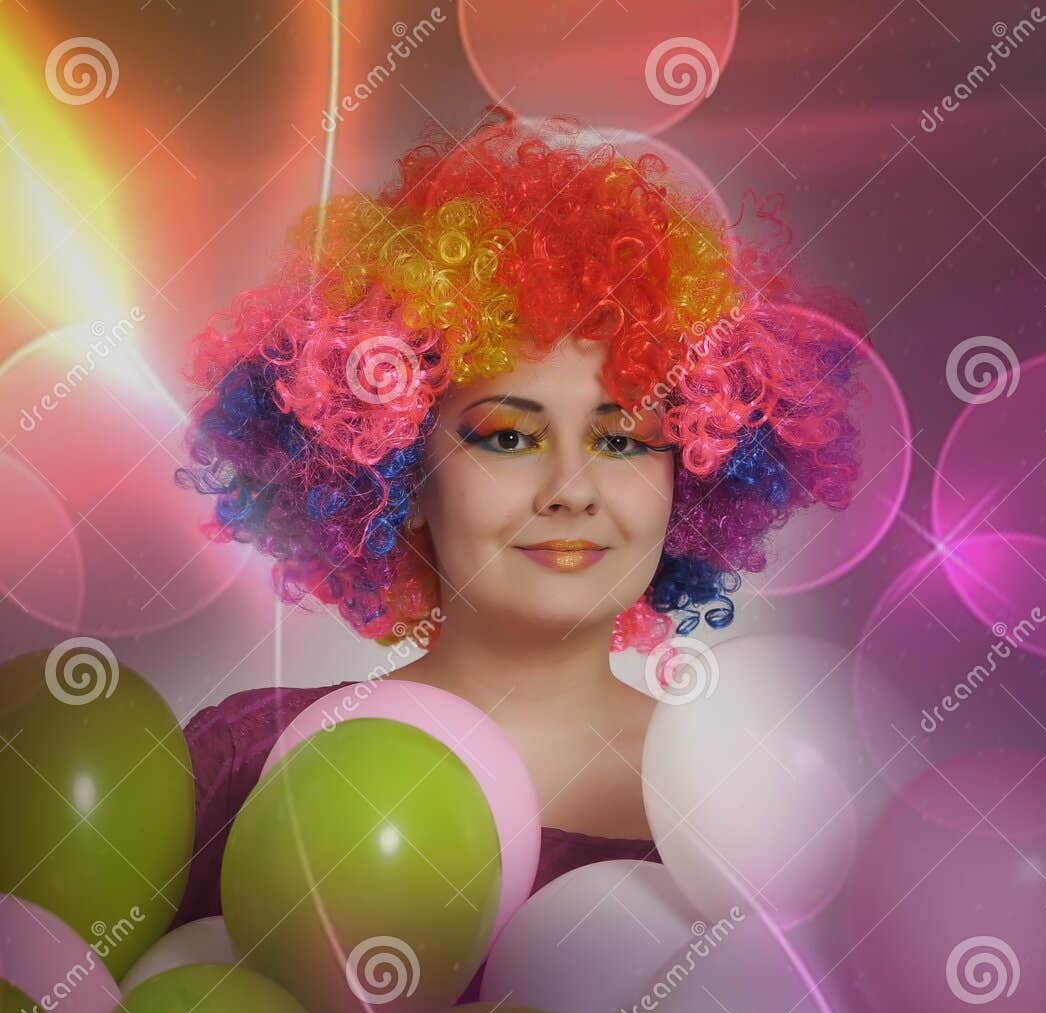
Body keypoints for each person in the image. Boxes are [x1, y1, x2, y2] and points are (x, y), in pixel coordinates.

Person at [172, 109, 862, 937]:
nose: (570, 490)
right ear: (400, 477)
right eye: (507, 435)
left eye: (621, 440)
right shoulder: (243, 765)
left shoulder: (763, 810)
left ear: (692, 474)